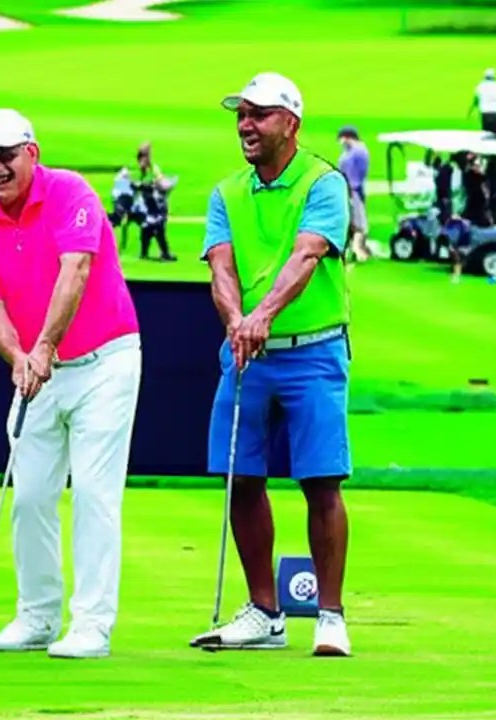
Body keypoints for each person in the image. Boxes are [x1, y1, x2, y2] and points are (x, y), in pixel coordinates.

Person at [0, 108, 142, 659]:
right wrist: (17, 354)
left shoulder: (70, 192)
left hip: (105, 361)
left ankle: (91, 624)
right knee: (32, 494)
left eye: (6, 156)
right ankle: (37, 616)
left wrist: (42, 346)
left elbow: (77, 270)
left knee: (92, 492)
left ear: (31, 154)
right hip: (37, 371)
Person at [188, 72, 354, 657]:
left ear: (291, 122)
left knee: (321, 479)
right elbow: (221, 269)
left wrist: (261, 316)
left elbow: (307, 257)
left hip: (313, 348)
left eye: (258, 115)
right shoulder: (226, 192)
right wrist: (237, 321)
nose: (245, 125)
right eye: (241, 114)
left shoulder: (323, 182)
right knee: (241, 476)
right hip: (246, 352)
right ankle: (265, 611)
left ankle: (329, 615)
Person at [337, 126, 371, 262]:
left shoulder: (356, 152)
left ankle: (359, 251)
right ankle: (356, 249)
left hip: (353, 190)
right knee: (353, 220)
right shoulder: (354, 150)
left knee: (357, 222)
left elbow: (350, 173)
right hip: (352, 189)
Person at [470, 68, 496, 138]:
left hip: (484, 112)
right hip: (494, 112)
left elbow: (476, 99)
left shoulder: (480, 85)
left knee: (486, 134)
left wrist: (472, 109)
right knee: (495, 134)